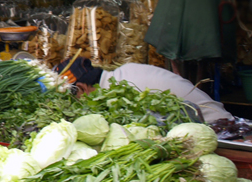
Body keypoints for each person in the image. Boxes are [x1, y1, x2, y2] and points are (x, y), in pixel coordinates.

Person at [56, 57, 232, 123]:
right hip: (217, 120)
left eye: (76, 99)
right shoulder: (123, 72)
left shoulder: (121, 95)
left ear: (81, 88)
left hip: (217, 130)